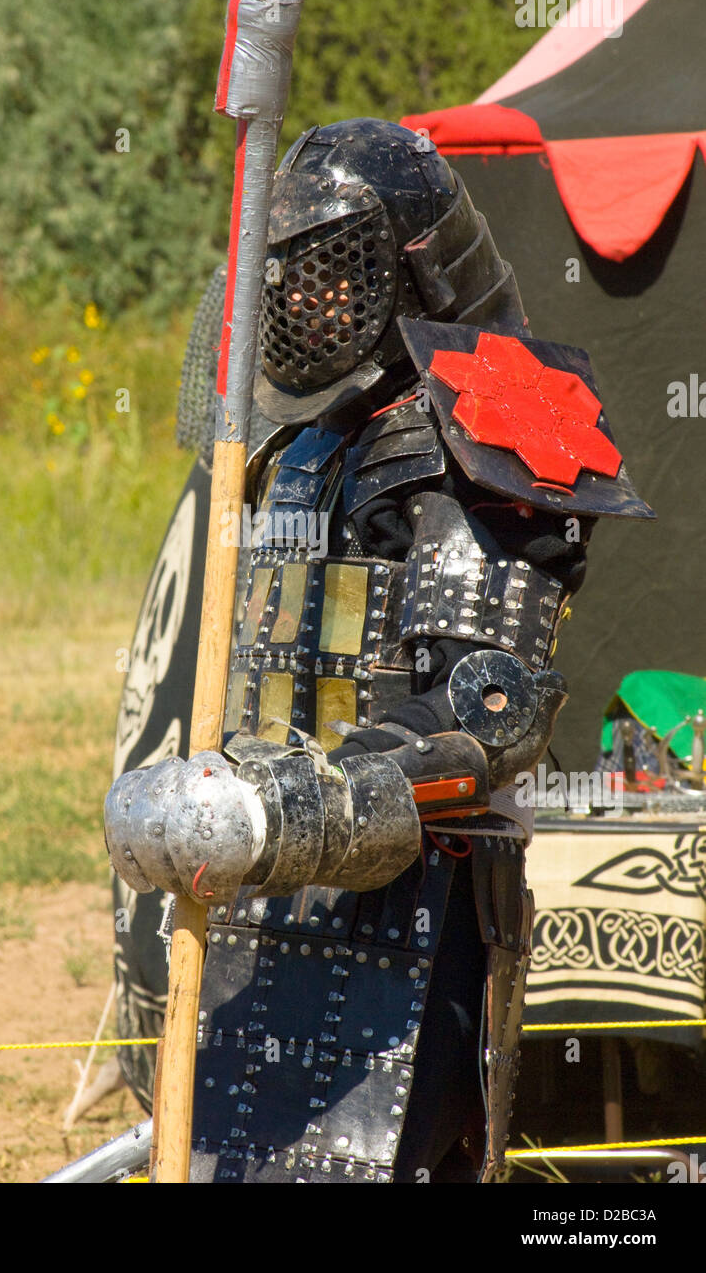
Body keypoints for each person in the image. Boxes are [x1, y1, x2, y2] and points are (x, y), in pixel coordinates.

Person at [104, 118, 652, 1183]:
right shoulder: (310, 441)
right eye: (288, 279)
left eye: (330, 274)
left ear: (408, 265)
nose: (302, 303)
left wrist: (294, 806)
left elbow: (486, 716)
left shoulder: (480, 428)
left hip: (416, 916)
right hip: (277, 899)